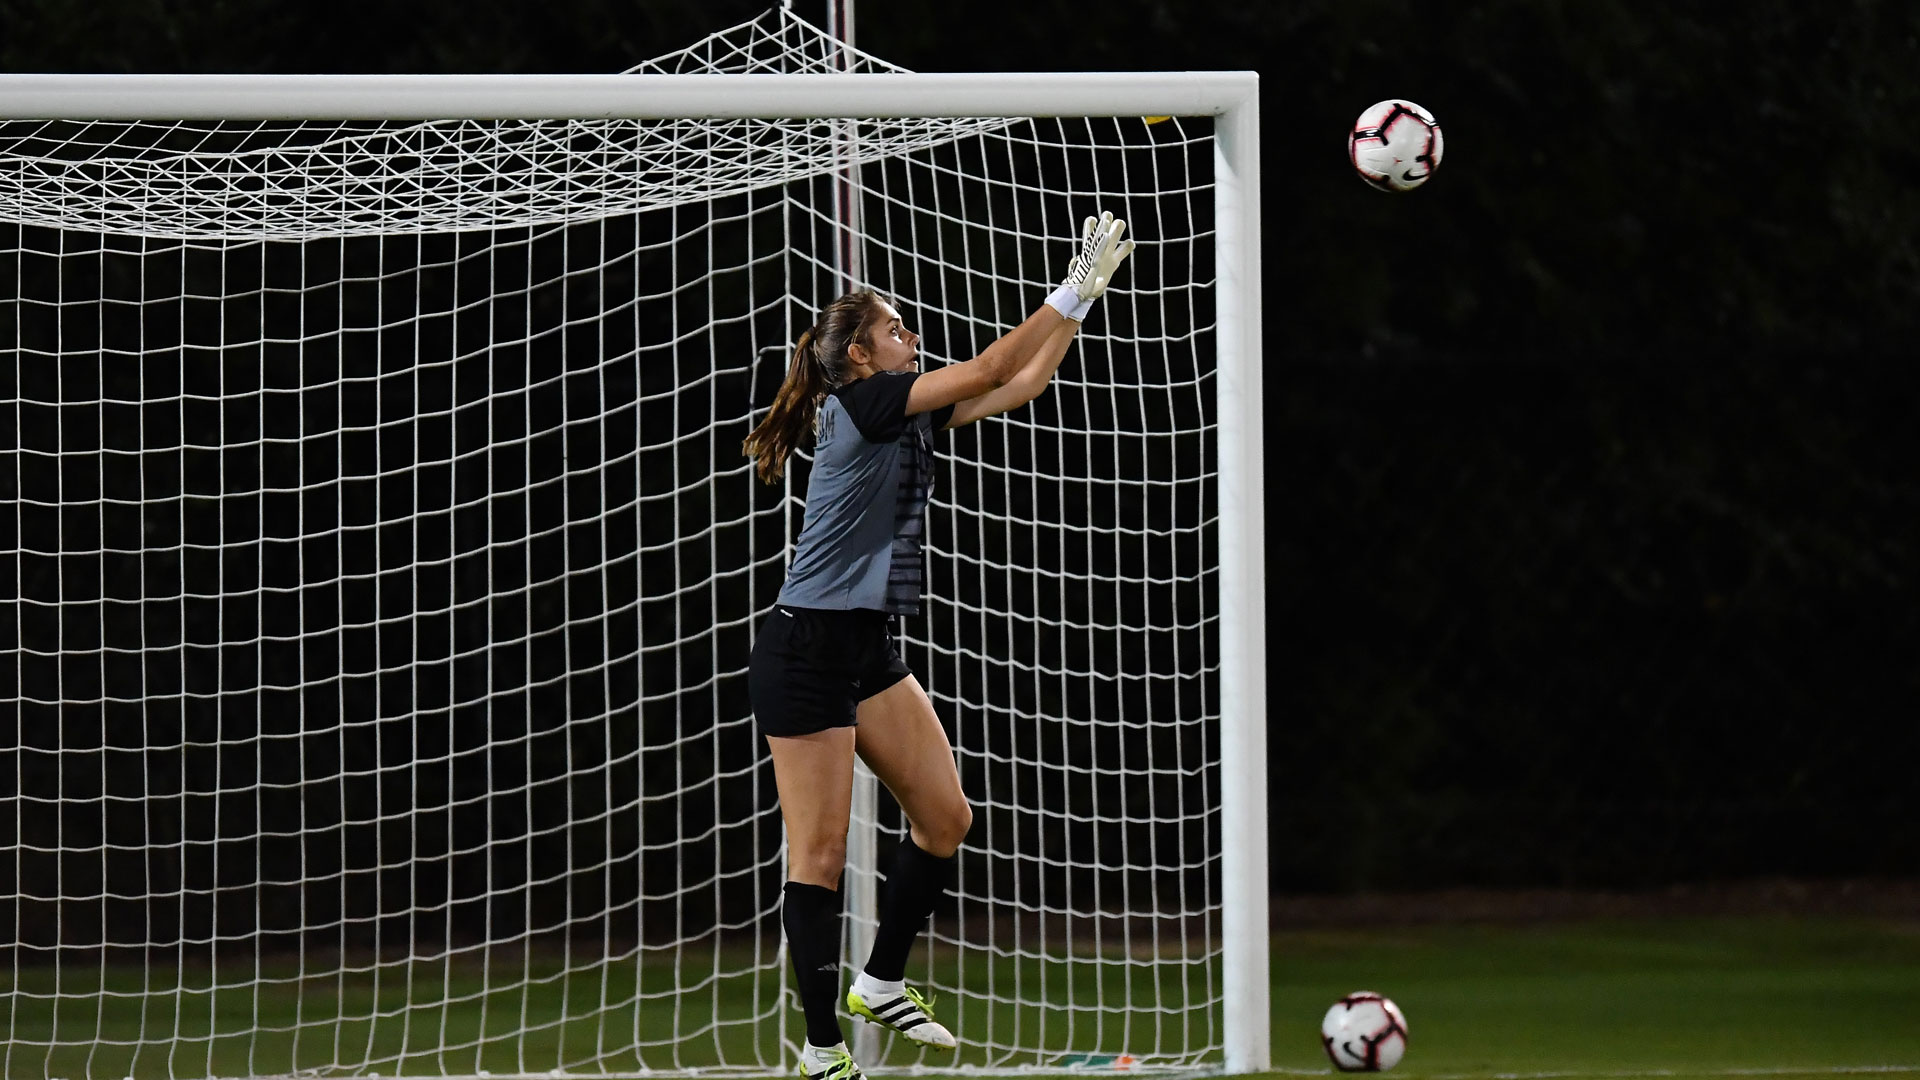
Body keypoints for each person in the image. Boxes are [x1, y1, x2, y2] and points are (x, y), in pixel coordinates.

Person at [741, 213, 1135, 1080]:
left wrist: (1079, 307)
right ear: (858, 356)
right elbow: (993, 363)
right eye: (893, 328)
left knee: (947, 819)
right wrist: (1063, 287)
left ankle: (879, 981)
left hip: (869, 649)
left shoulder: (906, 409)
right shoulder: (863, 403)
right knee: (818, 856)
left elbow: (1020, 383)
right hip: (806, 651)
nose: (908, 334)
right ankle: (820, 1051)